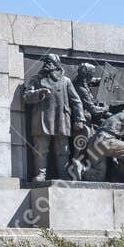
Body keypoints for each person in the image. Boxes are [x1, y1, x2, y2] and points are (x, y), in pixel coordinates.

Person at [23, 54, 85, 183]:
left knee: (63, 150)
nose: (48, 64)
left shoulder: (65, 81)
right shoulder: (36, 79)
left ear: (57, 64)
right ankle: (41, 174)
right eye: (46, 61)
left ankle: (64, 175)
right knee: (40, 149)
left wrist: (79, 119)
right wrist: (39, 93)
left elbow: (76, 101)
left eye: (50, 61)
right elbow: (26, 96)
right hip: (42, 118)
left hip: (61, 118)